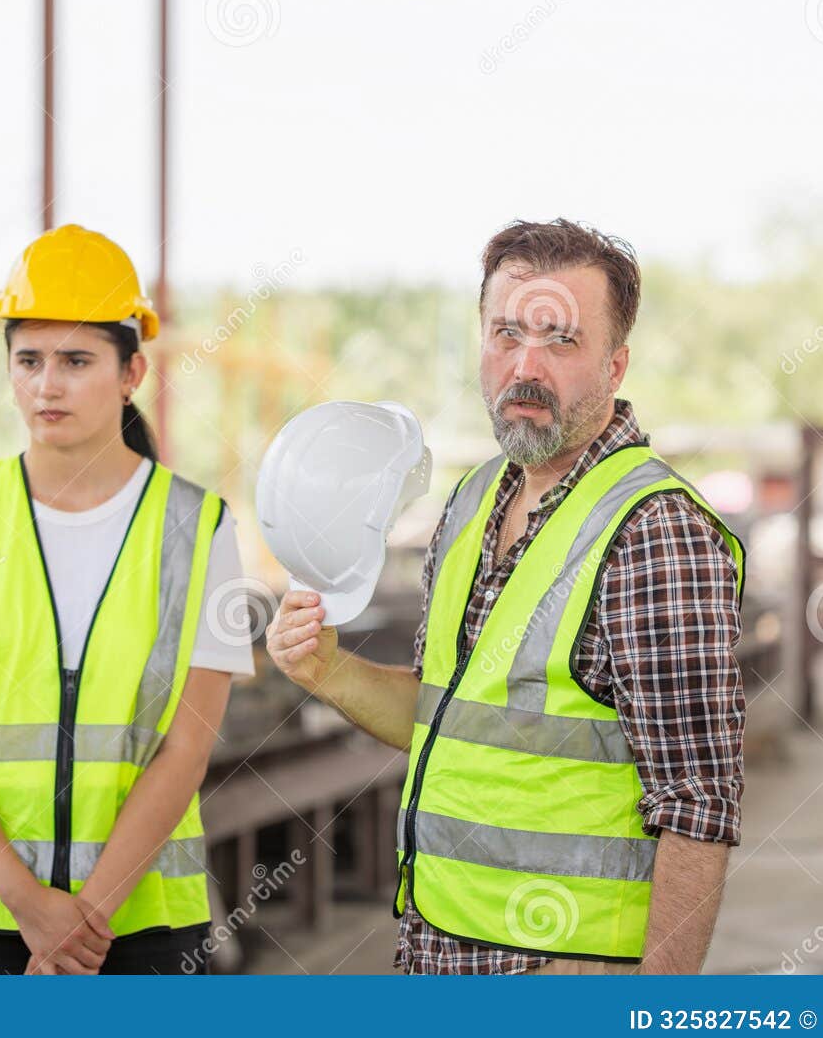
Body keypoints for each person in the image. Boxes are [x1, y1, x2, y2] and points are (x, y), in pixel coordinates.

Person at [266, 218, 746, 974]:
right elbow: (445, 721)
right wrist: (328, 671)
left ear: (615, 367)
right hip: (441, 954)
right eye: (506, 334)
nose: (526, 367)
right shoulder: (470, 501)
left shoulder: (654, 531)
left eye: (562, 342)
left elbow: (697, 804)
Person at [0, 224, 254, 975]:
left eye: (76, 361)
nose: (46, 385)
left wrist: (81, 924)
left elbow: (185, 750)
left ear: (132, 373)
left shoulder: (198, 528)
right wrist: (30, 906)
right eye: (29, 360)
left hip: (142, 924)